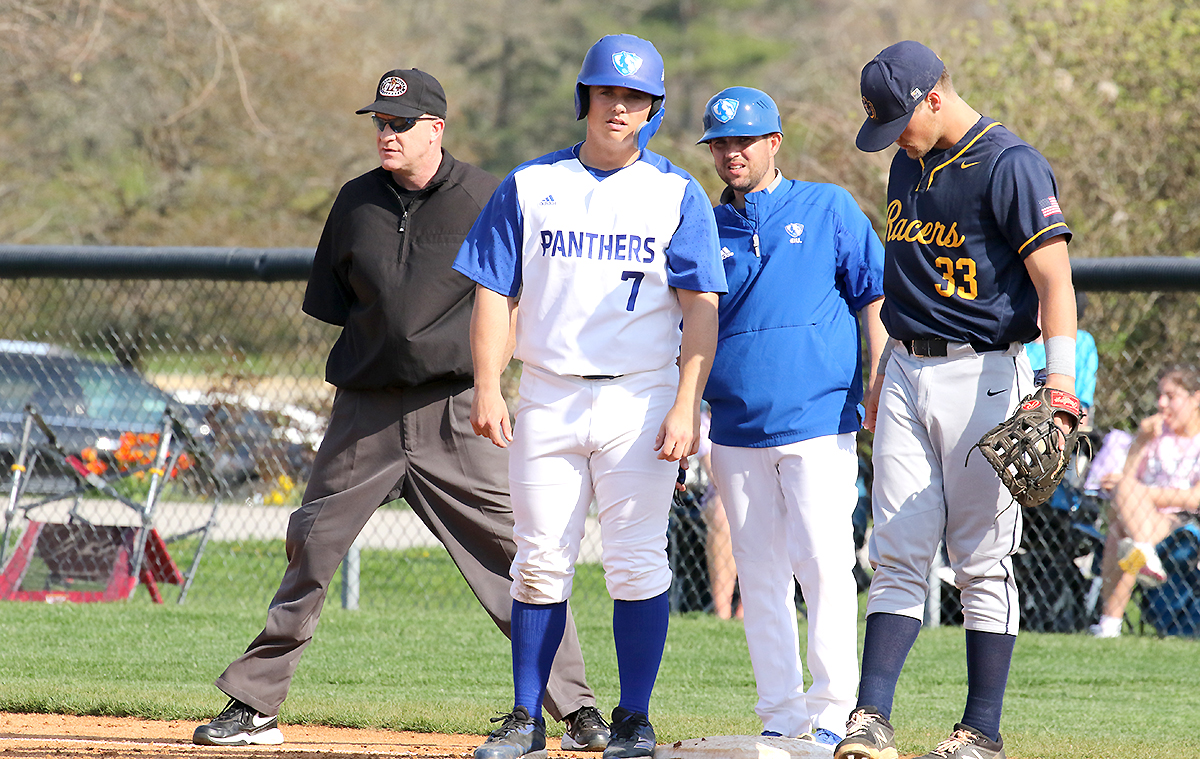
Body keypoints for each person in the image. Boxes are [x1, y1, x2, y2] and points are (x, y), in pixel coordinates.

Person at [192, 68, 609, 752]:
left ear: (435, 128)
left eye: (401, 123)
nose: (387, 134)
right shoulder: (356, 200)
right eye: (381, 123)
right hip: (365, 412)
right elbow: (338, 301)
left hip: (458, 410)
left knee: (516, 556)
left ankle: (576, 709)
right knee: (312, 545)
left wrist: (490, 383)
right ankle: (255, 703)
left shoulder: (487, 196)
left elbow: (517, 300)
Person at [453, 34, 726, 759]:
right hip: (548, 391)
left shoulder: (675, 193)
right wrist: (488, 384)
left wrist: (686, 402)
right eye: (608, 92)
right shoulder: (531, 184)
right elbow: (493, 292)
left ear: (653, 109)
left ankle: (633, 717)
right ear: (585, 98)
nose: (619, 106)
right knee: (539, 560)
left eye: (635, 96)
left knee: (637, 562)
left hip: (641, 396)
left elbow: (701, 306)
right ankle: (525, 717)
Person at [837, 41, 1078, 759]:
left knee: (980, 559)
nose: (894, 138)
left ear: (935, 98)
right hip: (905, 367)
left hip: (984, 374)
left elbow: (1055, 281)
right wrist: (882, 370)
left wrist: (1061, 384)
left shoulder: (1010, 164)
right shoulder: (906, 162)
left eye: (899, 121)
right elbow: (905, 284)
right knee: (896, 550)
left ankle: (981, 730)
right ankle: (870, 718)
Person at [696, 86, 887, 746]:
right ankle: (781, 715)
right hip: (735, 426)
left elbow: (875, 294)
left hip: (818, 419)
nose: (732, 152)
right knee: (761, 576)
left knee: (826, 567)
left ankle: (832, 713)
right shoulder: (703, 225)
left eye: (744, 140)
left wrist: (879, 377)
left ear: (774, 142)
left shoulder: (828, 206)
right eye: (721, 142)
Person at [1090, 366, 1200, 638]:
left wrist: (1140, 493)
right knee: (1123, 529)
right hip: (1141, 518)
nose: (1161, 403)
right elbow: (1127, 481)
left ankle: (1109, 623)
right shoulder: (1154, 435)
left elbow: (1195, 497)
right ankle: (1143, 553)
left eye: (1171, 396)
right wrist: (1140, 440)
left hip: (1182, 522)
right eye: (1160, 395)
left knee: (1122, 530)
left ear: (1196, 398)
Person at [1026, 291, 1099, 427]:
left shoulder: (1082, 341)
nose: (1039, 305)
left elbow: (1083, 406)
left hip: (1061, 418)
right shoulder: (1017, 345)